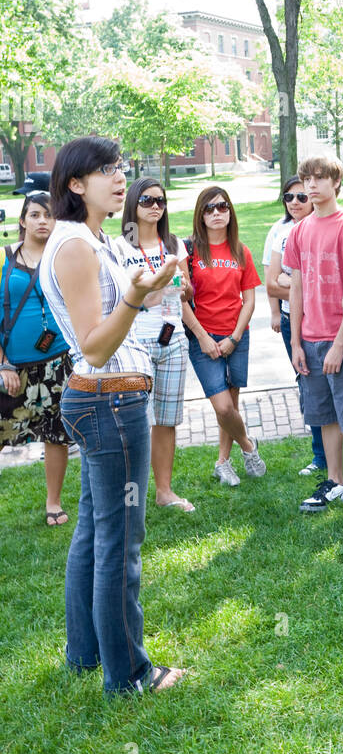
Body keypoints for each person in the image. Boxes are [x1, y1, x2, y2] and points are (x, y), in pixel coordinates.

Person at [40, 136, 185, 694]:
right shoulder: (75, 245)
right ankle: (129, 675)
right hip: (109, 399)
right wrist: (134, 300)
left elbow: (116, 318)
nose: (120, 178)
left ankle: (84, 653)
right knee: (119, 537)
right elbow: (95, 346)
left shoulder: (95, 239)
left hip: (107, 397)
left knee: (95, 533)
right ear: (75, 185)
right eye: (105, 170)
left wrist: (150, 291)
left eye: (120, 167)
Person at [284, 155, 343, 520]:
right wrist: (295, 342)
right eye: (307, 178)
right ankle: (335, 480)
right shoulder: (300, 229)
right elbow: (296, 285)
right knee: (324, 414)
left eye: (319, 178)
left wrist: (340, 343)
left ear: (335, 183)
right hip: (309, 338)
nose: (311, 185)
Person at [116, 178, 194, 512]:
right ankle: (130, 497)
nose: (155, 207)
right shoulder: (120, 246)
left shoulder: (174, 244)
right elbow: (118, 297)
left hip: (173, 338)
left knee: (166, 420)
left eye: (160, 201)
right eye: (147, 200)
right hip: (135, 341)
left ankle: (164, 492)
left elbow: (188, 293)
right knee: (135, 423)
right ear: (132, 203)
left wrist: (184, 284)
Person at [182, 187, 266, 485]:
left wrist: (234, 337)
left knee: (231, 404)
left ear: (230, 212)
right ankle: (248, 446)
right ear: (200, 215)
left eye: (222, 207)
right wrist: (203, 337)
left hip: (236, 336)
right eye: (209, 208)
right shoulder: (189, 252)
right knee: (223, 407)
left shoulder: (240, 251)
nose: (216, 213)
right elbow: (180, 301)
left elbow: (250, 300)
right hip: (203, 338)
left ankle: (223, 462)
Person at [0, 191, 73, 525]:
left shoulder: (62, 255)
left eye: (49, 215)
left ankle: (53, 503)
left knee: (56, 435)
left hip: (59, 361)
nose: (43, 221)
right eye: (35, 215)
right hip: (13, 366)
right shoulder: (4, 258)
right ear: (22, 220)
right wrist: (3, 363)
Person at [264, 176, 325, 476]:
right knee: (308, 386)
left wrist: (300, 285)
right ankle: (320, 457)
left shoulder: (326, 224)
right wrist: (280, 308)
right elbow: (272, 283)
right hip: (293, 320)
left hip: (327, 320)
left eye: (301, 197)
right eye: (289, 197)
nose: (295, 203)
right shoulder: (280, 232)